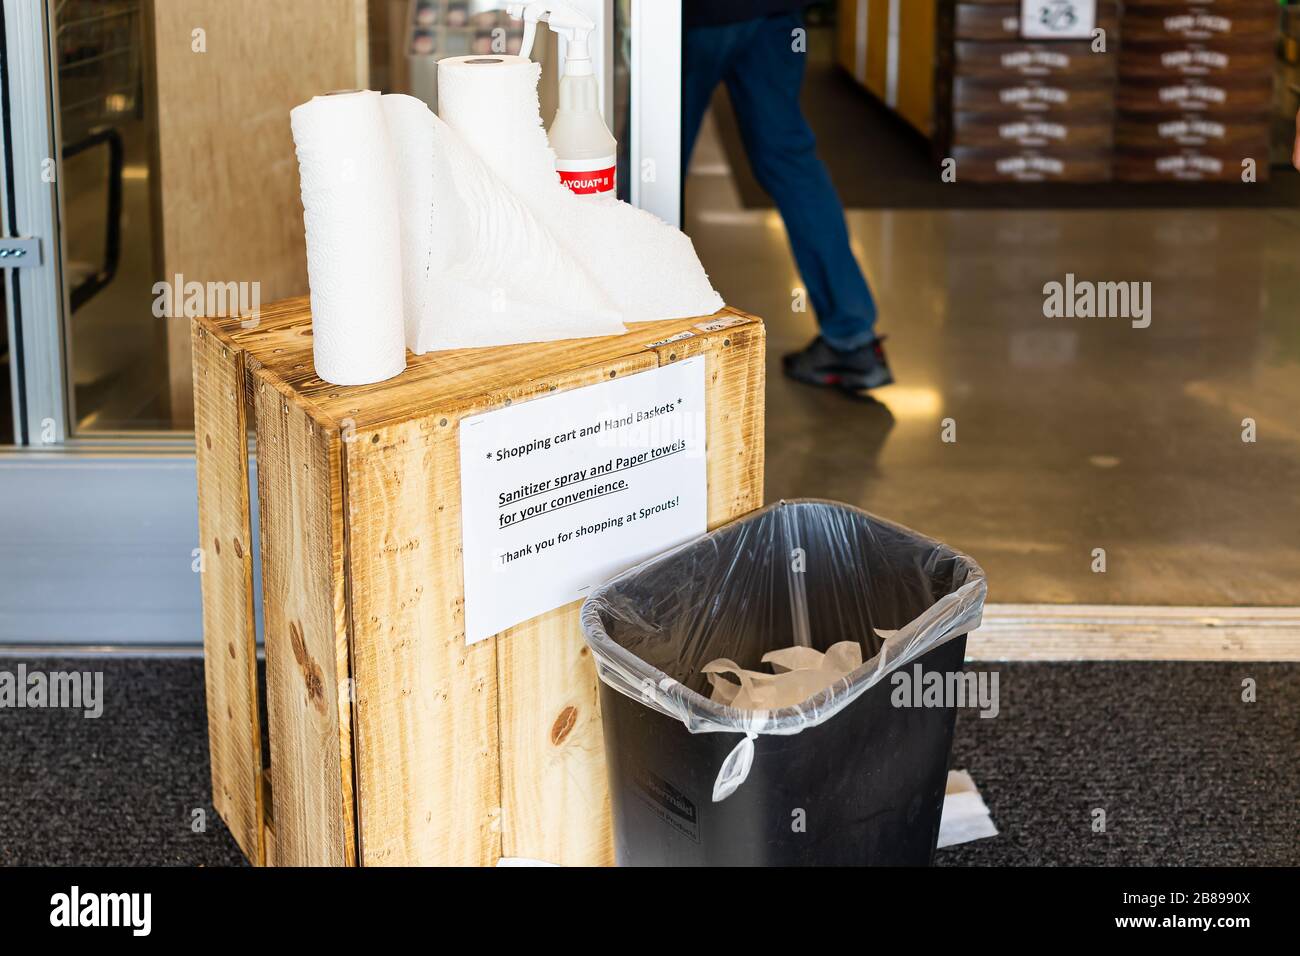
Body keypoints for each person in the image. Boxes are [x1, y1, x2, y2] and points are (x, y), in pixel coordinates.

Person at [683, 0, 892, 391]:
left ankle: (632, 334)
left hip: (694, 18)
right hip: (775, 16)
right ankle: (852, 340)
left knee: (655, 156)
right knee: (792, 164)